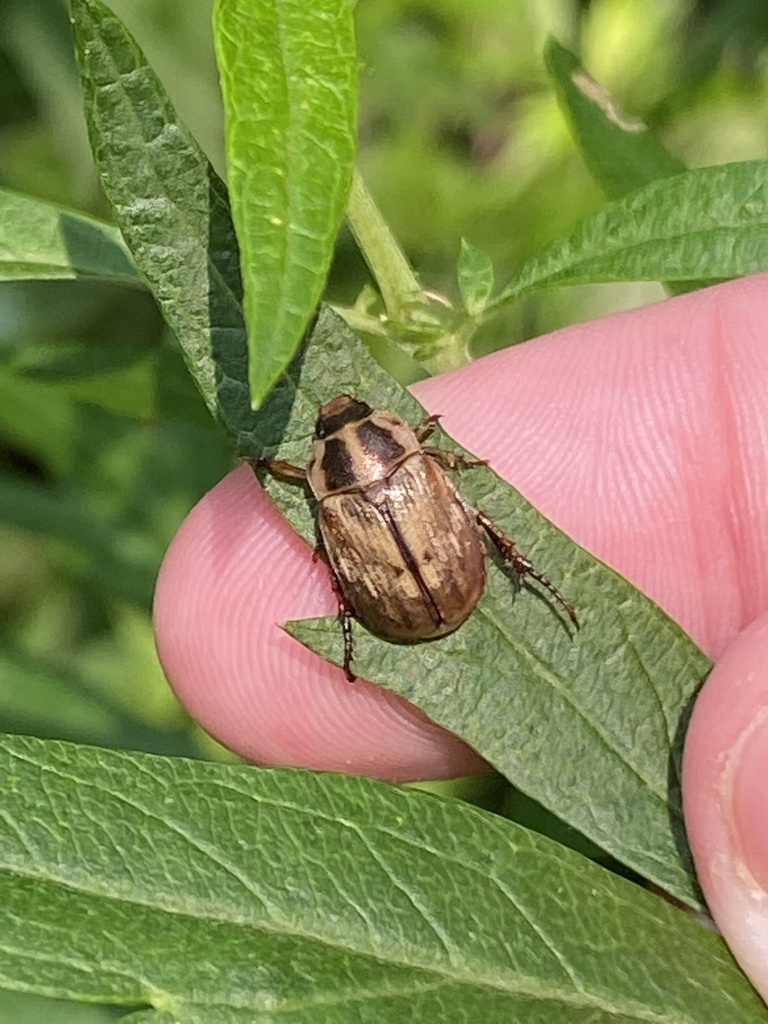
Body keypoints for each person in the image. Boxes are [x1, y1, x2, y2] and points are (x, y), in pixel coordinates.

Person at [154, 273, 768, 1002]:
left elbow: (336, 556)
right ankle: (524, 574)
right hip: (443, 571)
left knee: (375, 549)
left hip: (400, 600)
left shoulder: (319, 486)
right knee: (472, 517)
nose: (335, 417)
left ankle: (441, 598)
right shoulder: (420, 458)